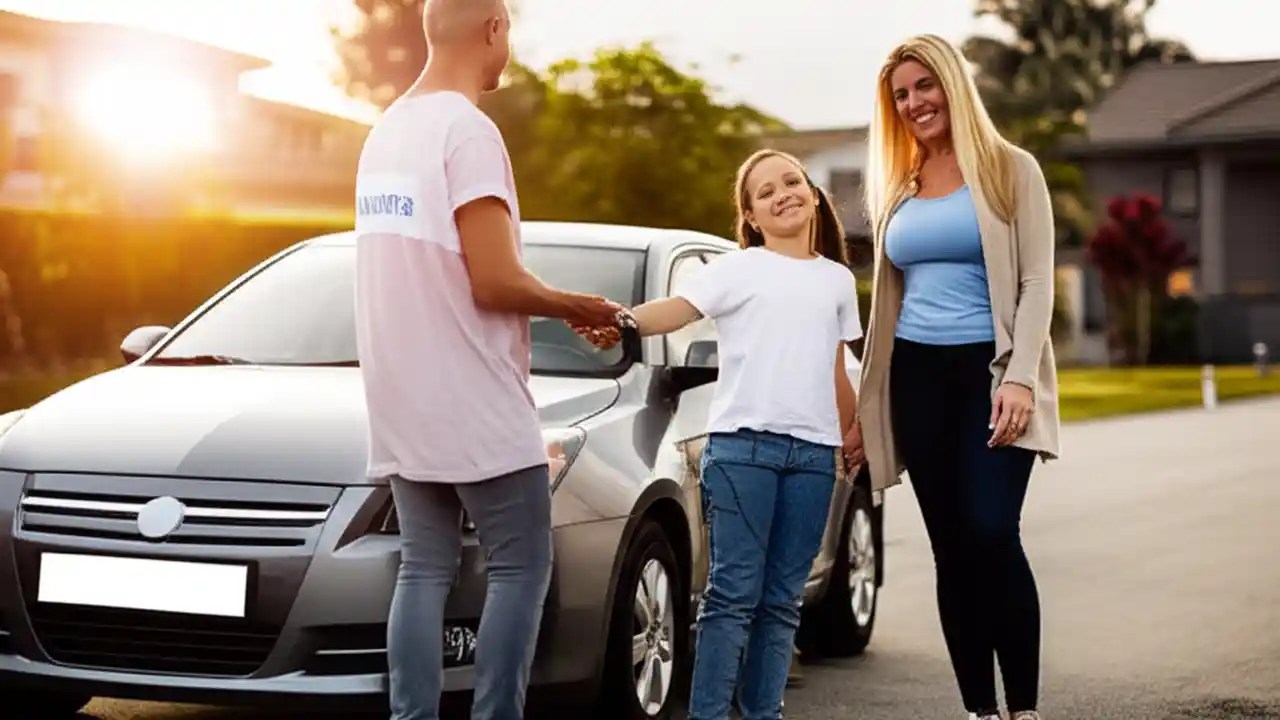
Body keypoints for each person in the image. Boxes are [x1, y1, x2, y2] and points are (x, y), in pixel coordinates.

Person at [351, 1, 622, 718]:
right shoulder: (466, 130)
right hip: (472, 395)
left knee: (424, 567)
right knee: (521, 566)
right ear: (494, 30)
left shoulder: (386, 132)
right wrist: (579, 306)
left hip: (401, 397)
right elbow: (494, 279)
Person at [583, 149, 864, 720]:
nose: (783, 192)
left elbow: (835, 365)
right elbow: (677, 311)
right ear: (752, 217)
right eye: (766, 191)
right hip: (743, 453)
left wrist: (853, 430)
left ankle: (763, 712)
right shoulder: (737, 268)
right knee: (733, 597)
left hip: (813, 458)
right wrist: (622, 320)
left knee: (782, 601)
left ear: (813, 195)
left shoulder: (836, 280)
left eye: (792, 181)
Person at [852, 33, 1061, 720]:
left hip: (988, 372)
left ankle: (1022, 709)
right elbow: (888, 306)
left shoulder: (1010, 169)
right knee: (952, 549)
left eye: (924, 86)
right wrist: (864, 408)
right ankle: (978, 710)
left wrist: (1020, 376)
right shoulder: (900, 187)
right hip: (916, 376)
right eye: (901, 95)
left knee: (993, 531)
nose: (915, 103)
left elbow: (1036, 281)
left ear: (951, 85)